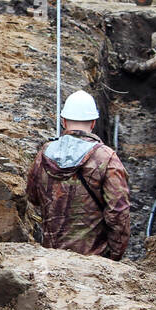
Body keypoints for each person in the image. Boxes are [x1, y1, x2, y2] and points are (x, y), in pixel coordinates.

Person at [25, 90, 130, 260]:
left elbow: (33, 197)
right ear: (94, 123)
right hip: (94, 260)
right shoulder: (106, 158)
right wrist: (115, 256)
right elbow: (118, 213)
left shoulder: (44, 154)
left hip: (51, 259)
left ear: (64, 122)